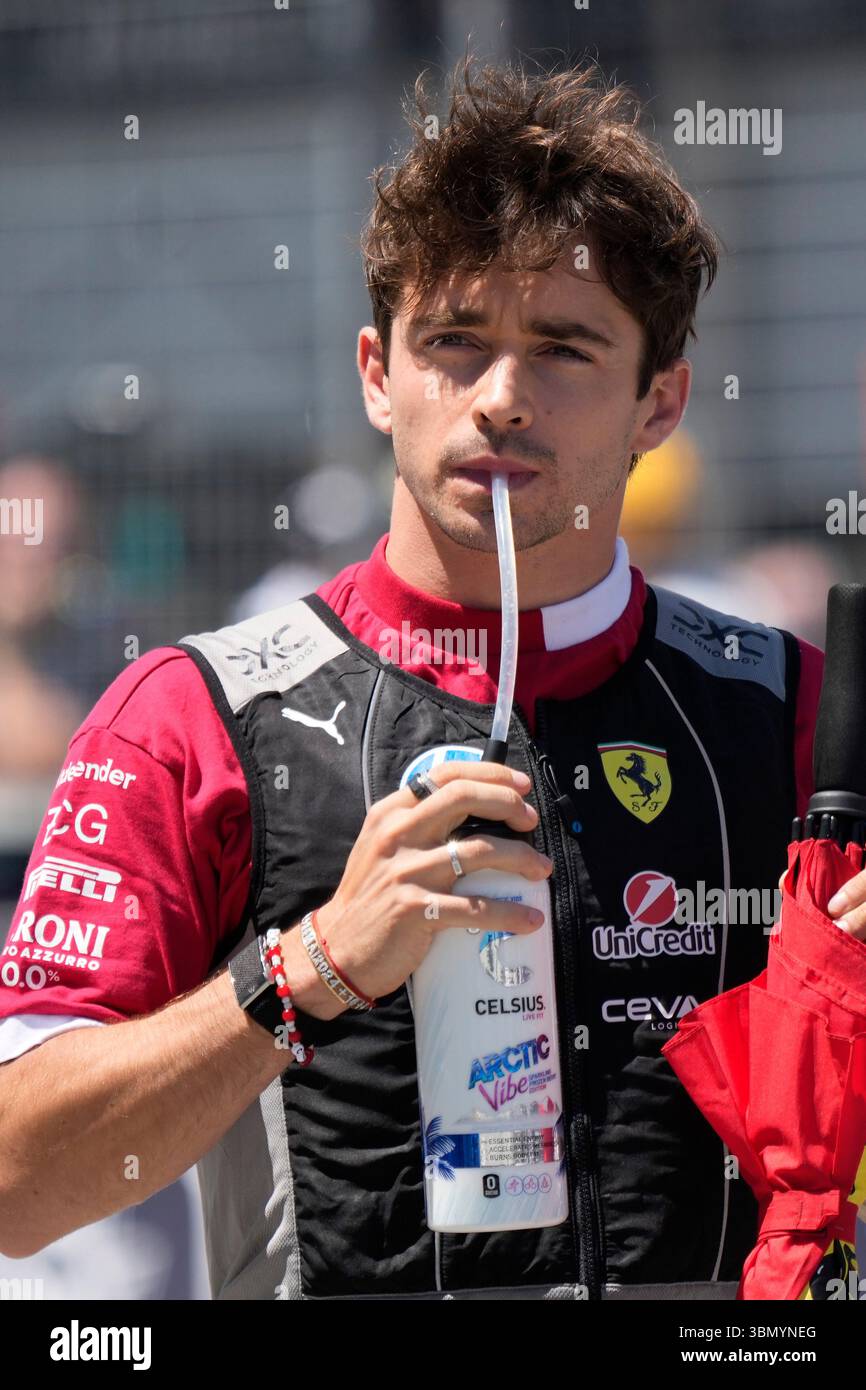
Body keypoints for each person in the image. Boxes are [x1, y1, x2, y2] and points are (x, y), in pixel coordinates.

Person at [0, 55, 854, 1302]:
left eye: (563, 349)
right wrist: (310, 970)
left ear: (658, 403)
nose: (500, 398)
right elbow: (22, 1186)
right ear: (375, 373)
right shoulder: (194, 716)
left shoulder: (795, 712)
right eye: (454, 339)